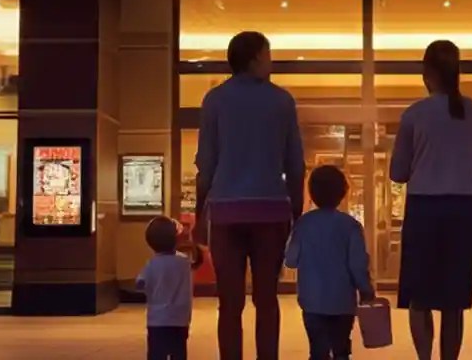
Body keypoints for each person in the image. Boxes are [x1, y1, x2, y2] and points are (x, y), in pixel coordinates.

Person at [390, 39, 472, 360]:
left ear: (427, 74)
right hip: (462, 212)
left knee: (419, 298)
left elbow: (398, 173)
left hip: (423, 211)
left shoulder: (414, 115)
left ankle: (424, 358)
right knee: (454, 303)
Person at [194, 30, 305, 360]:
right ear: (255, 58)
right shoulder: (282, 101)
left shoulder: (215, 100)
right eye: (268, 54)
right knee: (266, 299)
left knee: (229, 303)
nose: (271, 61)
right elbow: (295, 163)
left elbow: (206, 163)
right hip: (271, 211)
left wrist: (200, 212)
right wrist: (296, 212)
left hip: (225, 212)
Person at [286, 165, 376, 360]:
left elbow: (291, 260)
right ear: (343, 192)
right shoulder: (351, 226)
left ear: (312, 193)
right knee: (341, 349)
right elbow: (357, 264)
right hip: (343, 302)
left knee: (317, 350)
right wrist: (366, 289)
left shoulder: (303, 224)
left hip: (311, 301)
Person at [137, 217, 193, 360]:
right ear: (176, 239)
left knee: (157, 354)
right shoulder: (184, 262)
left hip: (157, 320)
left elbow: (140, 283)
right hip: (180, 319)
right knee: (179, 353)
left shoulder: (151, 264)